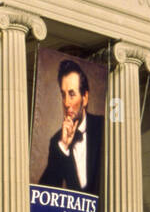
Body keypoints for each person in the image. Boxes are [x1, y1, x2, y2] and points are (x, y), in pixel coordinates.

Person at [38, 58, 103, 195]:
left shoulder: (103, 128)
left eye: (72, 94)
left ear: (84, 98)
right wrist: (63, 147)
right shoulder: (57, 142)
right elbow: (45, 193)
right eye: (63, 94)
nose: (66, 103)